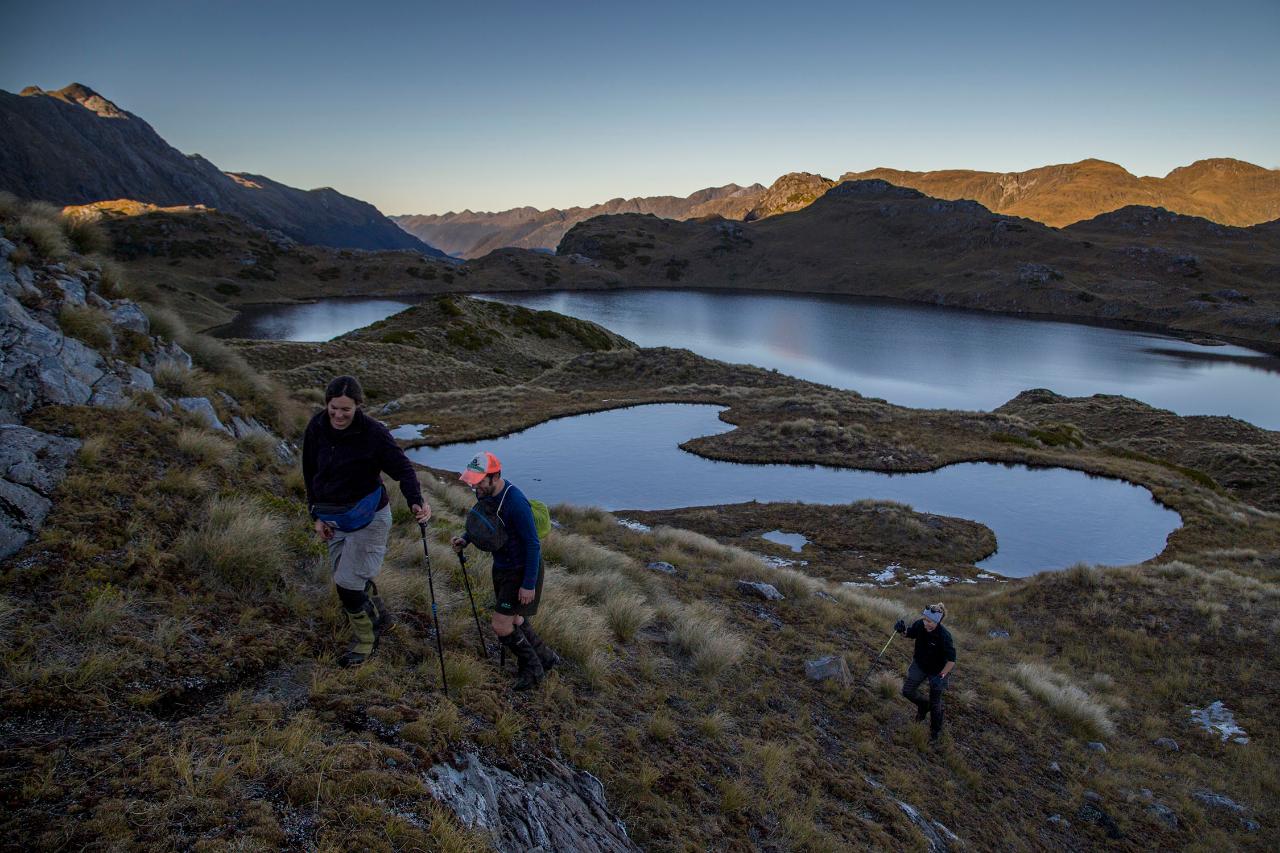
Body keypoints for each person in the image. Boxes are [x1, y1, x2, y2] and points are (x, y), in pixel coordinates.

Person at [303, 375, 431, 667]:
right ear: (327, 404)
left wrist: (415, 501)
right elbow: (310, 473)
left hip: (370, 517)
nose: (338, 415)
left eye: (346, 409)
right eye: (334, 408)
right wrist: (316, 515)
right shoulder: (316, 427)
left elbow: (403, 470)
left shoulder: (374, 433)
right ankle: (382, 618)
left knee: (347, 583)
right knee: (348, 578)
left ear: (359, 406)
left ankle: (366, 640)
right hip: (333, 518)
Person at [451, 451, 559, 690]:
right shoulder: (486, 494)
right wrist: (466, 539)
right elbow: (487, 521)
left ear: (495, 476)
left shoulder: (515, 502)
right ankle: (546, 657)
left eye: (478, 481)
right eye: (472, 481)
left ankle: (532, 670)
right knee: (517, 619)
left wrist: (528, 584)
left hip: (520, 571)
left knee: (501, 625)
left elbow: (533, 544)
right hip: (501, 567)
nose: (474, 486)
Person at [894, 603, 956, 741]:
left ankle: (935, 733)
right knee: (907, 691)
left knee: (935, 703)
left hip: (939, 671)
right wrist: (902, 630)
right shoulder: (920, 625)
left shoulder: (945, 636)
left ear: (938, 621)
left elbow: (952, 661)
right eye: (925, 619)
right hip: (920, 665)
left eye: (930, 622)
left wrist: (941, 676)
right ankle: (923, 705)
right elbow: (909, 634)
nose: (926, 623)